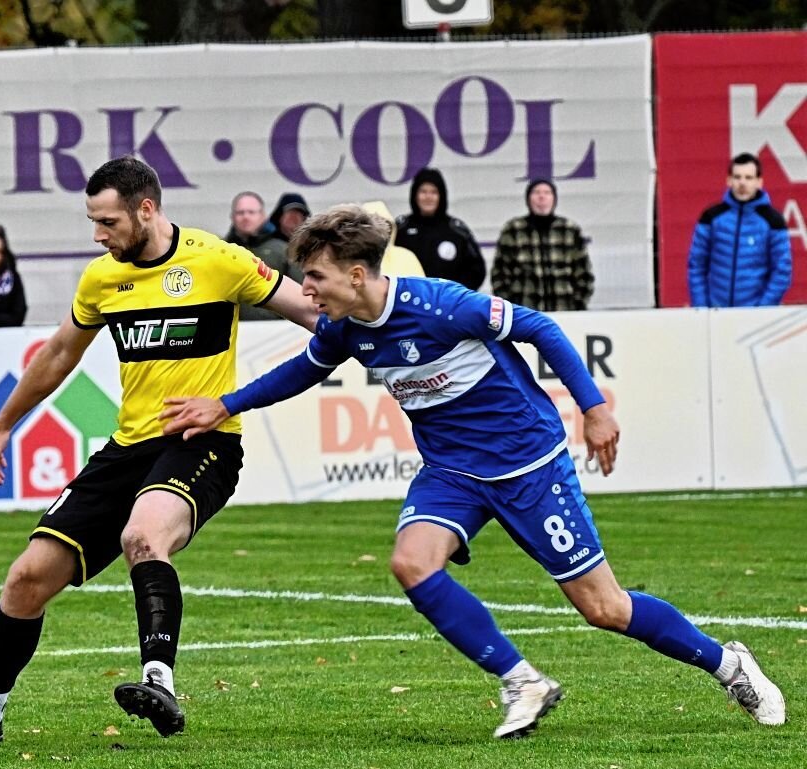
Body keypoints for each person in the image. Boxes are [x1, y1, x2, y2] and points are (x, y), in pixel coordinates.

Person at [162, 204, 786, 740]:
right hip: (451, 473)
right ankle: (522, 681)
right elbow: (304, 368)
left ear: (356, 274)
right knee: (411, 564)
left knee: (604, 608)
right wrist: (226, 404)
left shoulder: (441, 305)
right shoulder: (343, 328)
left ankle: (727, 664)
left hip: (528, 465)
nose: (307, 291)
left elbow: (540, 328)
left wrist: (594, 410)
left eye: (316, 277)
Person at [0, 157, 321, 747]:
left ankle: (159, 682)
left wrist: (381, 344)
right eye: (93, 222)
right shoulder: (103, 278)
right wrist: (2, 426)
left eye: (107, 222)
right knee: (26, 579)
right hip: (127, 448)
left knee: (143, 536)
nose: (98, 235)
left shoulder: (220, 260)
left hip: (201, 442)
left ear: (145, 209)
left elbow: (313, 314)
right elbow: (59, 354)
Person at [688, 153, 792, 308]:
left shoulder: (773, 220)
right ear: (729, 180)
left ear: (759, 182)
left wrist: (762, 309)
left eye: (748, 178)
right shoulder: (711, 217)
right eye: (737, 177)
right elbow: (696, 265)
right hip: (715, 312)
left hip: (756, 314)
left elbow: (782, 272)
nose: (742, 183)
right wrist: (702, 308)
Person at [490, 179, 595, 311]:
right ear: (528, 198)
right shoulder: (513, 229)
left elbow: (584, 273)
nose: (542, 197)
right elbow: (500, 274)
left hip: (564, 308)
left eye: (547, 192)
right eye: (536, 192)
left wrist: (578, 304)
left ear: (554, 198)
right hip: (525, 311)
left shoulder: (569, 229)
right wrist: (511, 308)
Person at [394, 168, 486, 290]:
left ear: (441, 196)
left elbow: (476, 270)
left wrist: (455, 294)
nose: (428, 197)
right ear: (414, 195)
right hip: (408, 298)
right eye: (423, 191)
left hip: (447, 300)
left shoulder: (456, 230)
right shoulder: (401, 229)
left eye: (434, 192)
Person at [224, 191, 289, 322]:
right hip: (231, 329)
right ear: (232, 217)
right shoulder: (221, 251)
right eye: (240, 212)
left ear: (263, 216)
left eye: (251, 212)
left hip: (276, 329)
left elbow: (300, 292)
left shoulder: (283, 250)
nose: (246, 217)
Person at [363, 200, 424, 278]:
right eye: (371, 227)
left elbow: (421, 284)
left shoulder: (406, 256)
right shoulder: (352, 258)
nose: (378, 232)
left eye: (383, 226)